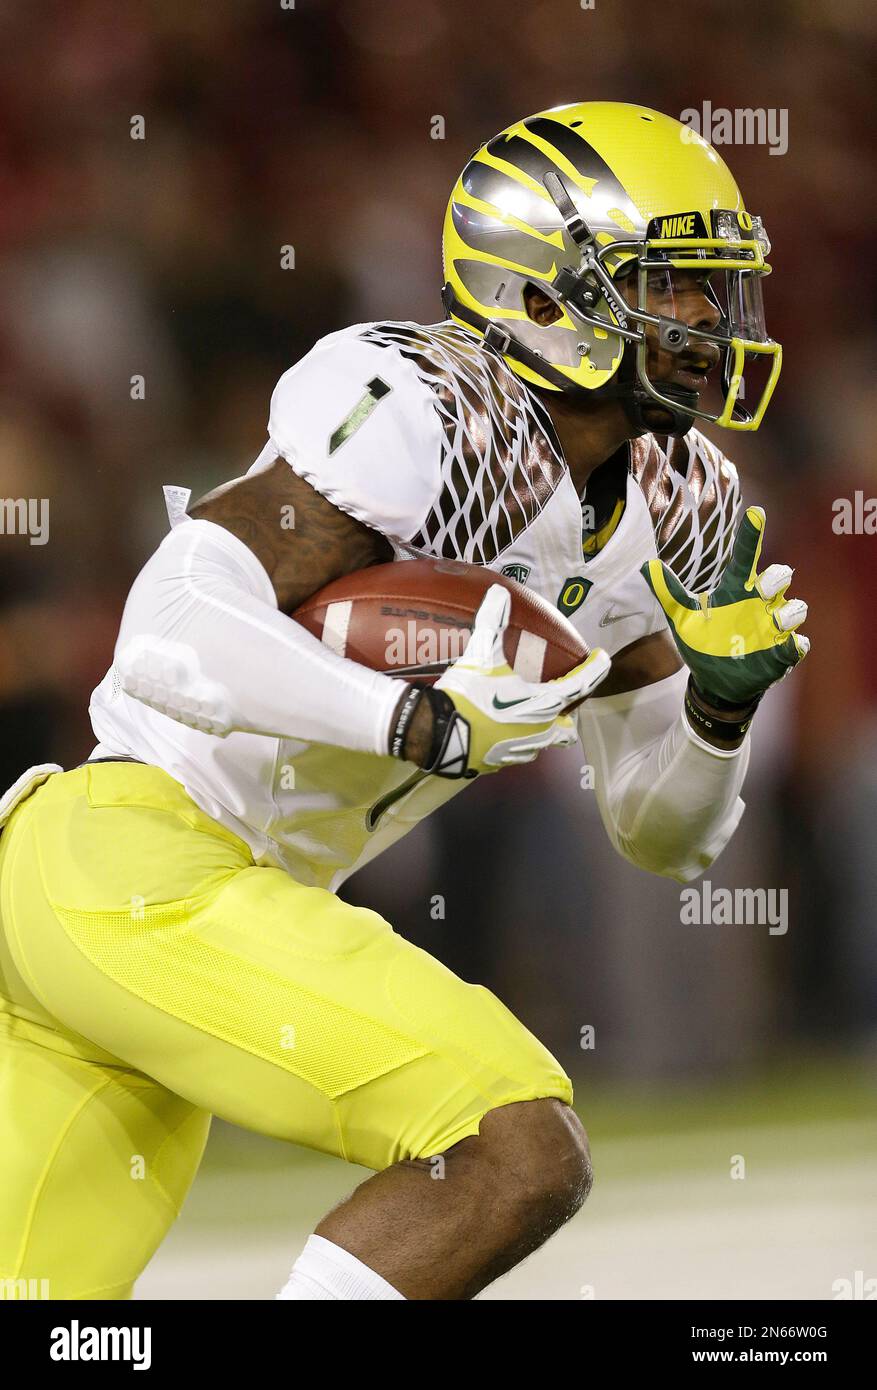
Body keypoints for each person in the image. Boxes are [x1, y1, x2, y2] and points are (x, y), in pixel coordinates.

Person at [0, 102, 808, 1301]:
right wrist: (410, 721)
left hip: (182, 907)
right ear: (540, 292)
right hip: (139, 863)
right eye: (670, 282)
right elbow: (166, 628)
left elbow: (660, 836)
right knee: (513, 1144)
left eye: (714, 286)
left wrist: (718, 716)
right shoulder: (425, 408)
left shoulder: (675, 494)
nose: (705, 320)